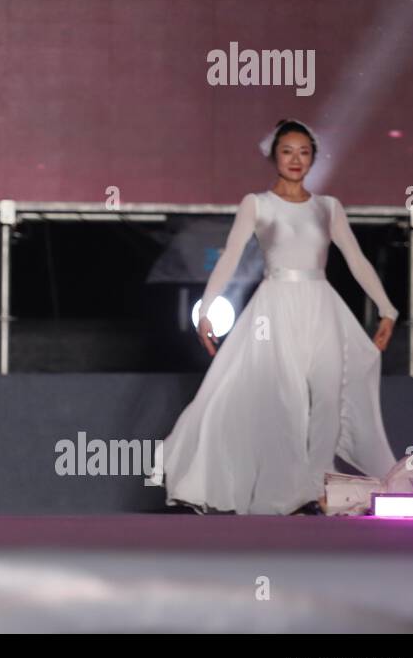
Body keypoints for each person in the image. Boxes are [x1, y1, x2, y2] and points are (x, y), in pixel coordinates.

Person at [151, 119, 399, 514]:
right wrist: (207, 311)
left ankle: (318, 487)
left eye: (304, 152)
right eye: (288, 151)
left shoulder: (327, 207)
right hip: (275, 309)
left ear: (313, 157)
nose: (296, 159)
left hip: (322, 306)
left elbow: (356, 260)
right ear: (274, 156)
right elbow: (231, 256)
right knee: (287, 401)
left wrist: (387, 309)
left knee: (329, 398)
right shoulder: (258, 204)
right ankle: (287, 491)